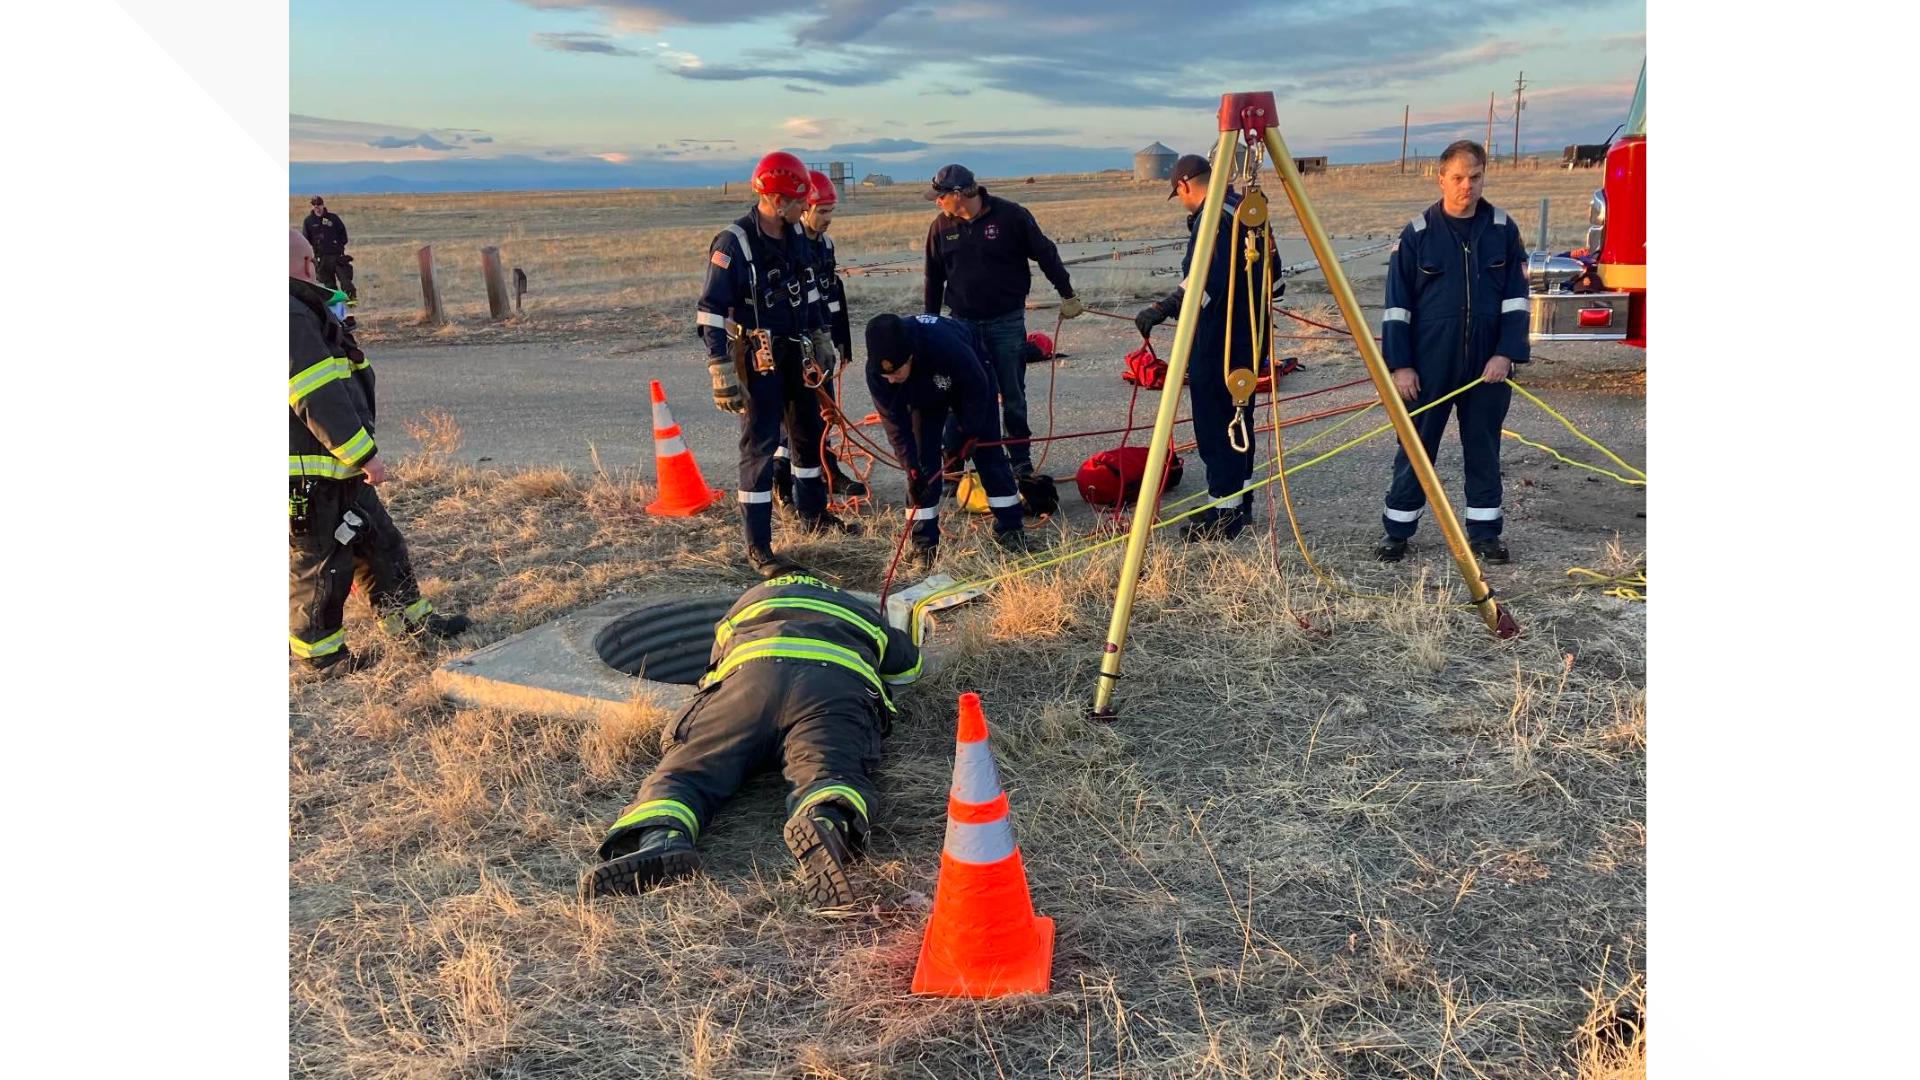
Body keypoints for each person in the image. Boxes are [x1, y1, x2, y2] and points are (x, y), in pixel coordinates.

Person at [580, 573, 921, 906]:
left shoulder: (748, 602)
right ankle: (826, 824)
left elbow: (718, 657)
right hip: (830, 690)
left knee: (689, 769)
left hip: (747, 684)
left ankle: (661, 839)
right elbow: (908, 669)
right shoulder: (857, 609)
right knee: (830, 768)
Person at [289, 230, 468, 674]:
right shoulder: (287, 316)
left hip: (336, 468)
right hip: (313, 473)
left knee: (381, 542)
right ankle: (321, 657)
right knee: (322, 564)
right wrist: (363, 455)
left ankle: (410, 625)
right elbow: (317, 395)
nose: (315, 267)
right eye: (310, 259)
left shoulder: (303, 309)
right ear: (307, 263)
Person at [696, 152, 855, 579]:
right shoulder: (734, 243)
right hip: (757, 358)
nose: (805, 209)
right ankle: (760, 547)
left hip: (798, 355)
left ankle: (814, 515)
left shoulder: (796, 238)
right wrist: (720, 367)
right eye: (798, 201)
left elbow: (810, 293)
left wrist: (822, 335)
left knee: (808, 438)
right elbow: (711, 310)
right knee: (761, 449)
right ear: (775, 198)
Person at [1376, 139, 1530, 564]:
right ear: (1441, 177)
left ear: (1484, 176)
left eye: (1475, 177)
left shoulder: (1502, 229)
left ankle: (1484, 534)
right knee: (1416, 446)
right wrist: (1401, 365)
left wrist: (1507, 354)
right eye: (1458, 178)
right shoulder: (1418, 234)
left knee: (1483, 447)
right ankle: (1397, 531)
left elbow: (1517, 298)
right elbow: (1396, 306)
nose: (1467, 186)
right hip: (1429, 364)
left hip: (1488, 366)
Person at [1133, 154, 1269, 541]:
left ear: (1184, 185)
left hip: (1221, 335)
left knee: (1217, 420)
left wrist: (1164, 308)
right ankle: (1237, 501)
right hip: (1248, 330)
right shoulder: (1243, 208)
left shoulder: (1216, 218)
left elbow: (1207, 280)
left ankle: (1224, 513)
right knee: (1239, 417)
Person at [922, 164, 1083, 481]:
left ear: (958, 194)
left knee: (1012, 394)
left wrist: (1067, 293)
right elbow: (933, 278)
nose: (936, 202)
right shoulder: (940, 227)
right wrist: (930, 325)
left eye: (940, 197)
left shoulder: (1011, 216)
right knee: (958, 394)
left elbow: (1045, 253)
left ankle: (1020, 459)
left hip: (1005, 323)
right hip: (962, 325)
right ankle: (953, 462)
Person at [864, 312, 1036, 573]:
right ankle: (924, 544)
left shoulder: (946, 346)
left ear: (909, 355)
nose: (890, 379)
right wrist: (909, 465)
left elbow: (978, 388)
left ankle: (1011, 529)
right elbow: (895, 426)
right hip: (923, 398)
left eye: (896, 372)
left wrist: (970, 432)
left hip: (969, 382)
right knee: (922, 467)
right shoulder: (879, 374)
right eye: (885, 375)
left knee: (989, 457)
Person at [774, 170, 868, 504]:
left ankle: (827, 468)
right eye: (822, 211)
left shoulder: (826, 245)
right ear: (804, 207)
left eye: (831, 211)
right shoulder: (788, 244)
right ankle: (781, 479)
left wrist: (840, 340)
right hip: (797, 343)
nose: (828, 219)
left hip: (823, 337)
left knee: (825, 409)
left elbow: (831, 294)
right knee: (797, 417)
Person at [301, 196, 356, 307]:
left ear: (323, 205)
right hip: (322, 258)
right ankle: (336, 306)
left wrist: (338, 246)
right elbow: (306, 240)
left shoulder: (333, 218)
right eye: (314, 205)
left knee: (346, 281)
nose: (317, 207)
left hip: (337, 256)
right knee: (329, 285)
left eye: (319, 205)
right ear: (312, 206)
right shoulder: (309, 221)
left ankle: (352, 302)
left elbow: (343, 234)